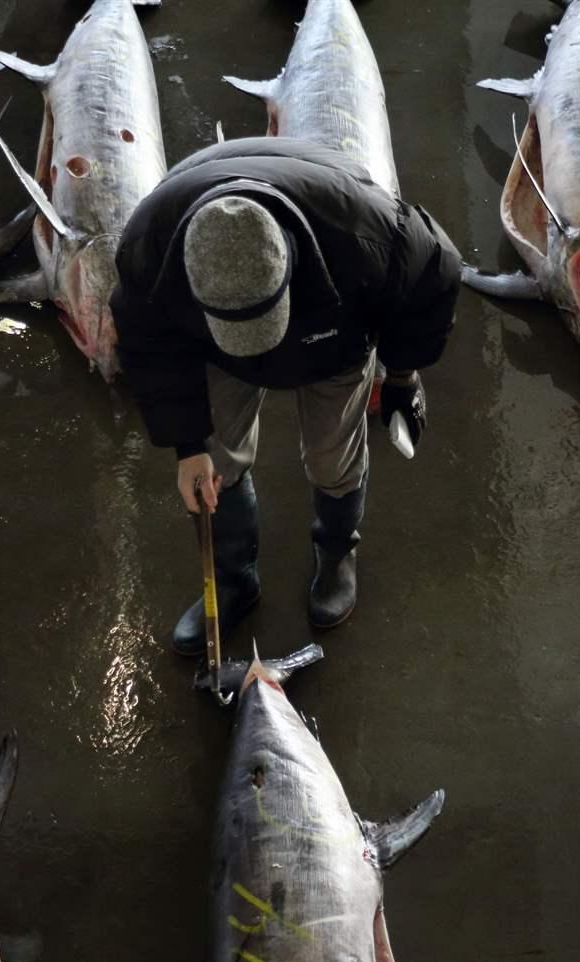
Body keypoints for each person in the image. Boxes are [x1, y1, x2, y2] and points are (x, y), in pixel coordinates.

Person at [112, 137, 462, 654]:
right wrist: (187, 445)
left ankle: (337, 551)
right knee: (216, 461)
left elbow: (435, 275)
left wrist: (402, 375)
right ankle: (233, 579)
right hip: (210, 349)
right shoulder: (149, 250)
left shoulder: (366, 234)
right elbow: (149, 350)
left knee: (331, 455)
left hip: (333, 331)